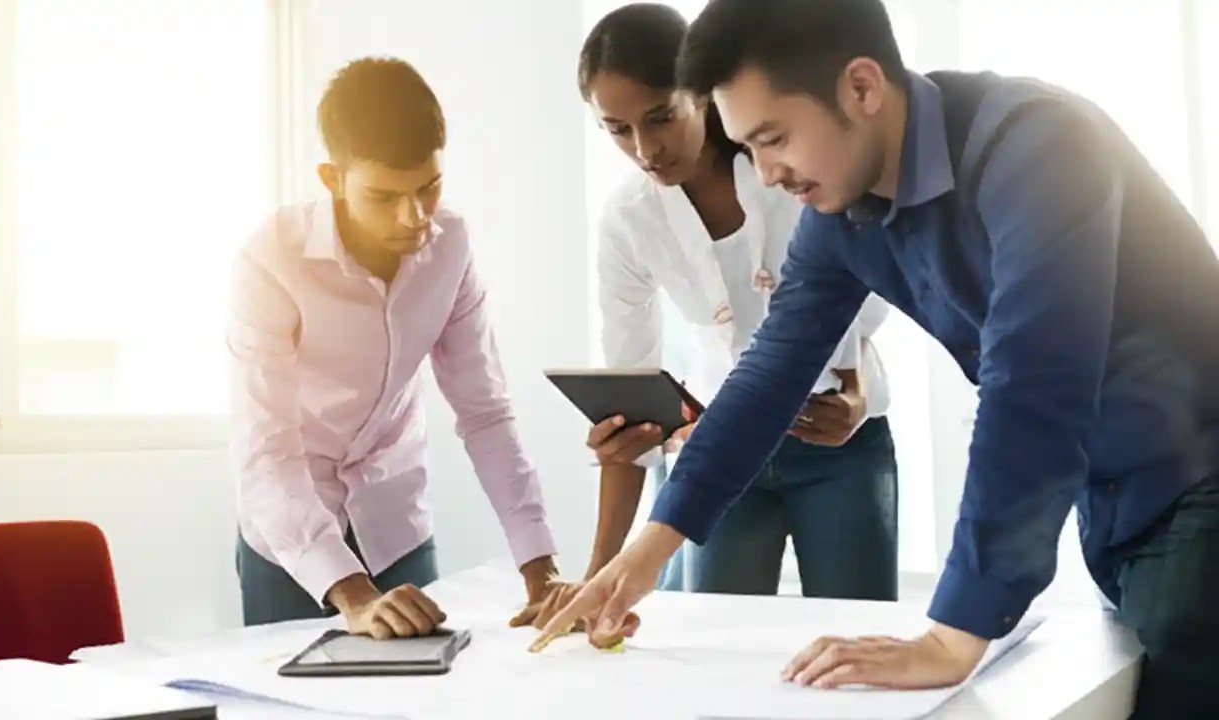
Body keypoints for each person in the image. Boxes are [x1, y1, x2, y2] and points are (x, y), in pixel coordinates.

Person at [533, 1, 1219, 717]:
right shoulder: (838, 217)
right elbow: (767, 376)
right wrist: (646, 554)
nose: (764, 174)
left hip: (1199, 480)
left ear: (861, 88)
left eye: (772, 139)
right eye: (747, 145)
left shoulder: (1040, 146)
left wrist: (954, 632)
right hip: (1113, 507)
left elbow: (1033, 388)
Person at [516, 4, 898, 632]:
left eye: (661, 117)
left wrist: (857, 389)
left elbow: (863, 287)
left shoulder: (790, 167)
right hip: (718, 447)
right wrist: (596, 574)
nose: (644, 148)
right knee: (709, 641)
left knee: (857, 641)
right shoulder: (629, 220)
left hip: (837, 445)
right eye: (616, 129)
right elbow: (631, 401)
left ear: (703, 94)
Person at [228, 57, 560, 639]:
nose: (413, 218)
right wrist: (353, 599)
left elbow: (485, 414)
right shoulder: (270, 259)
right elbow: (268, 454)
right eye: (383, 196)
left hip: (396, 523)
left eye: (428, 188)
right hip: (293, 538)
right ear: (332, 179)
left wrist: (541, 571)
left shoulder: (451, 246)